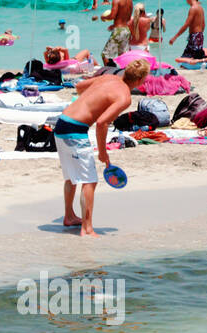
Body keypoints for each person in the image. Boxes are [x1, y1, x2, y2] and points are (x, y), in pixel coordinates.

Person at [52, 59, 148, 235]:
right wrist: (103, 153)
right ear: (140, 80)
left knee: (72, 177)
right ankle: (87, 229)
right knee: (89, 181)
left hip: (61, 123)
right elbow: (102, 123)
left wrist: (93, 101)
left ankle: (69, 217)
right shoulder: (124, 97)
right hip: (75, 130)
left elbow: (80, 86)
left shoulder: (108, 78)